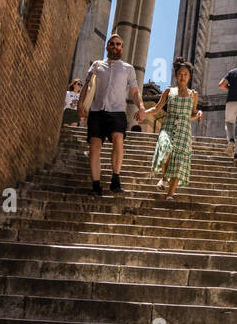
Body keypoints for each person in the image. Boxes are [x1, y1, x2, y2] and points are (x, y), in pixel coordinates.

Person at [77, 34, 142, 195]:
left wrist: (140, 106)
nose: (115, 46)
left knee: (118, 139)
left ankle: (115, 178)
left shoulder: (128, 68)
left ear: (122, 47)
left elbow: (134, 91)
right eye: (112, 43)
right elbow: (87, 85)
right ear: (107, 47)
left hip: (117, 111)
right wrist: (80, 103)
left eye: (118, 44)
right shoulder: (97, 65)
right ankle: (96, 185)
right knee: (94, 146)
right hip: (97, 110)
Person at [140, 58, 203, 200]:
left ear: (189, 76)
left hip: (184, 131)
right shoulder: (169, 91)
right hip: (168, 127)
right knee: (165, 148)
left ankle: (170, 194)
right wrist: (143, 112)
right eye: (180, 74)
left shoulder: (194, 94)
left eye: (186, 74)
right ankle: (163, 177)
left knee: (179, 162)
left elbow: (191, 114)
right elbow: (157, 108)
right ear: (176, 75)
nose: (183, 77)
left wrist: (198, 113)